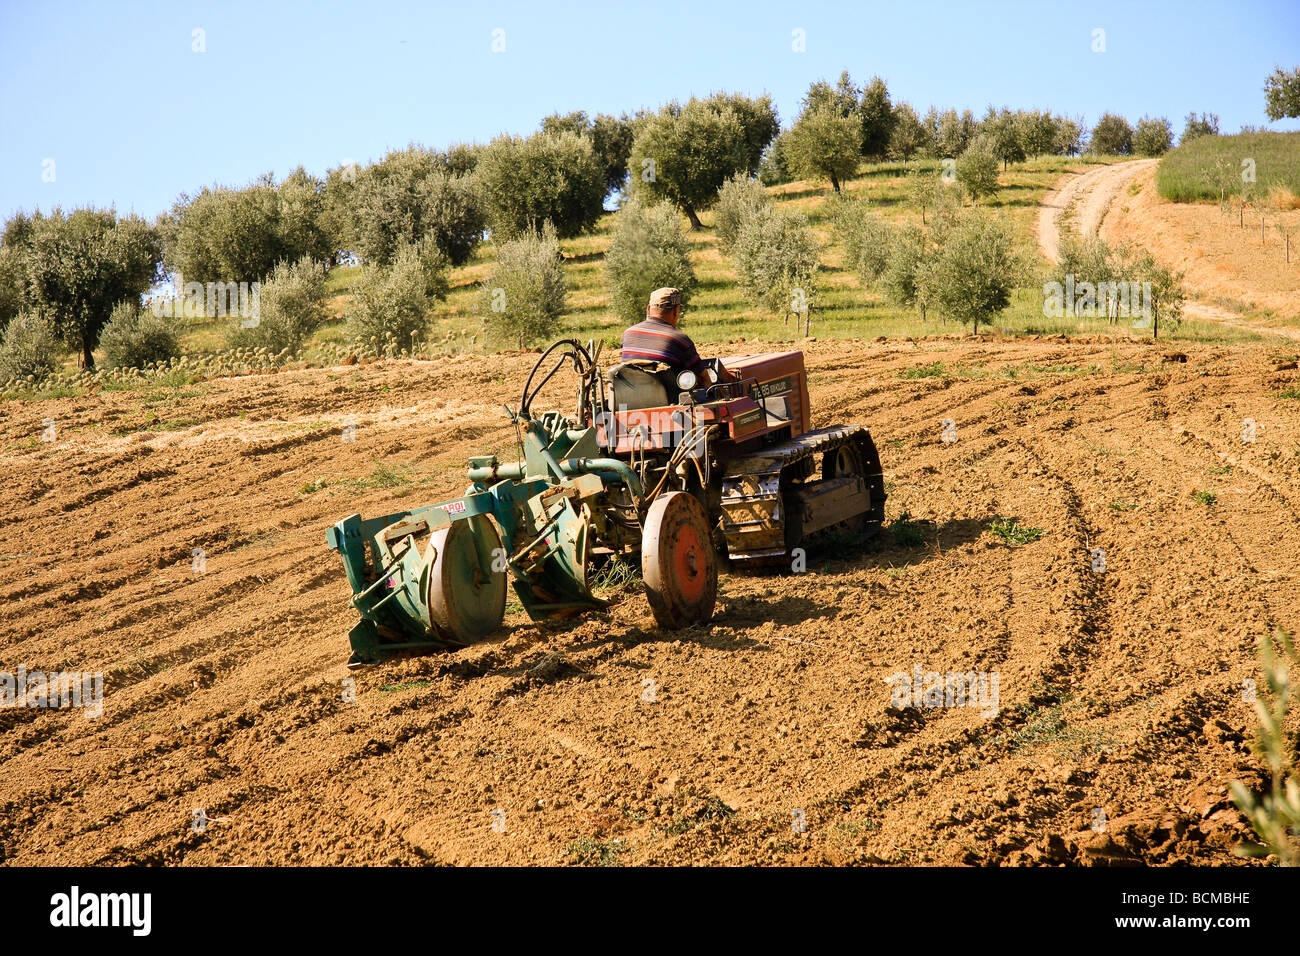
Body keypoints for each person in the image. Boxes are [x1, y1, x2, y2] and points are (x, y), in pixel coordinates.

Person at [620, 287, 712, 378]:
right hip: (664, 392)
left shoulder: (628, 333)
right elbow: (702, 378)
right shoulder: (679, 339)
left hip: (628, 390)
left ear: (648, 309)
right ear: (676, 311)